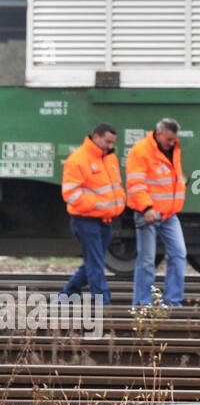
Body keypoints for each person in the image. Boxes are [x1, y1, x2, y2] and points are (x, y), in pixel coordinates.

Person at [59, 122, 127, 305]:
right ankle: (102, 301)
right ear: (96, 137)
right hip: (85, 220)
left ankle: (67, 295)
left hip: (105, 220)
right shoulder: (78, 159)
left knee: (94, 260)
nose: (111, 146)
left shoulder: (109, 158)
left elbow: (116, 187)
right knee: (96, 262)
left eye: (113, 142)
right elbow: (71, 194)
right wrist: (100, 206)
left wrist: (114, 205)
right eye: (107, 141)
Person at [128, 118, 188, 307]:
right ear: (159, 133)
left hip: (169, 214)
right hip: (148, 214)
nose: (172, 143)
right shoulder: (141, 151)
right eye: (169, 139)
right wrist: (146, 208)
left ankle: (172, 301)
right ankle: (142, 303)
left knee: (179, 254)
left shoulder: (173, 150)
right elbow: (136, 183)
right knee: (146, 260)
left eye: (173, 139)